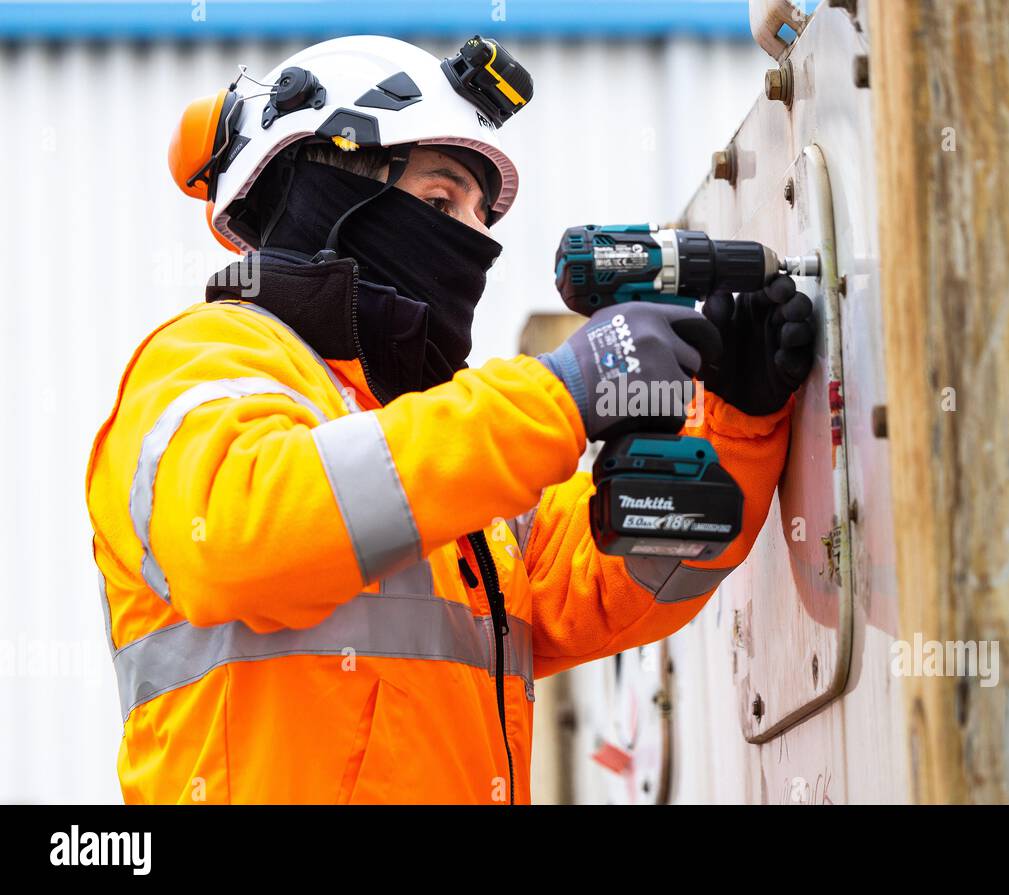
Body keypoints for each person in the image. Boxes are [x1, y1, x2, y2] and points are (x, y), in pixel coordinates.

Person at [85, 35, 814, 803]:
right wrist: (562, 394)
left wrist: (736, 416)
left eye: (478, 213)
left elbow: (603, 578)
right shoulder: (207, 357)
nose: (472, 238)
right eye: (440, 202)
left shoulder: (430, 441)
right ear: (331, 198)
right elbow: (243, 533)